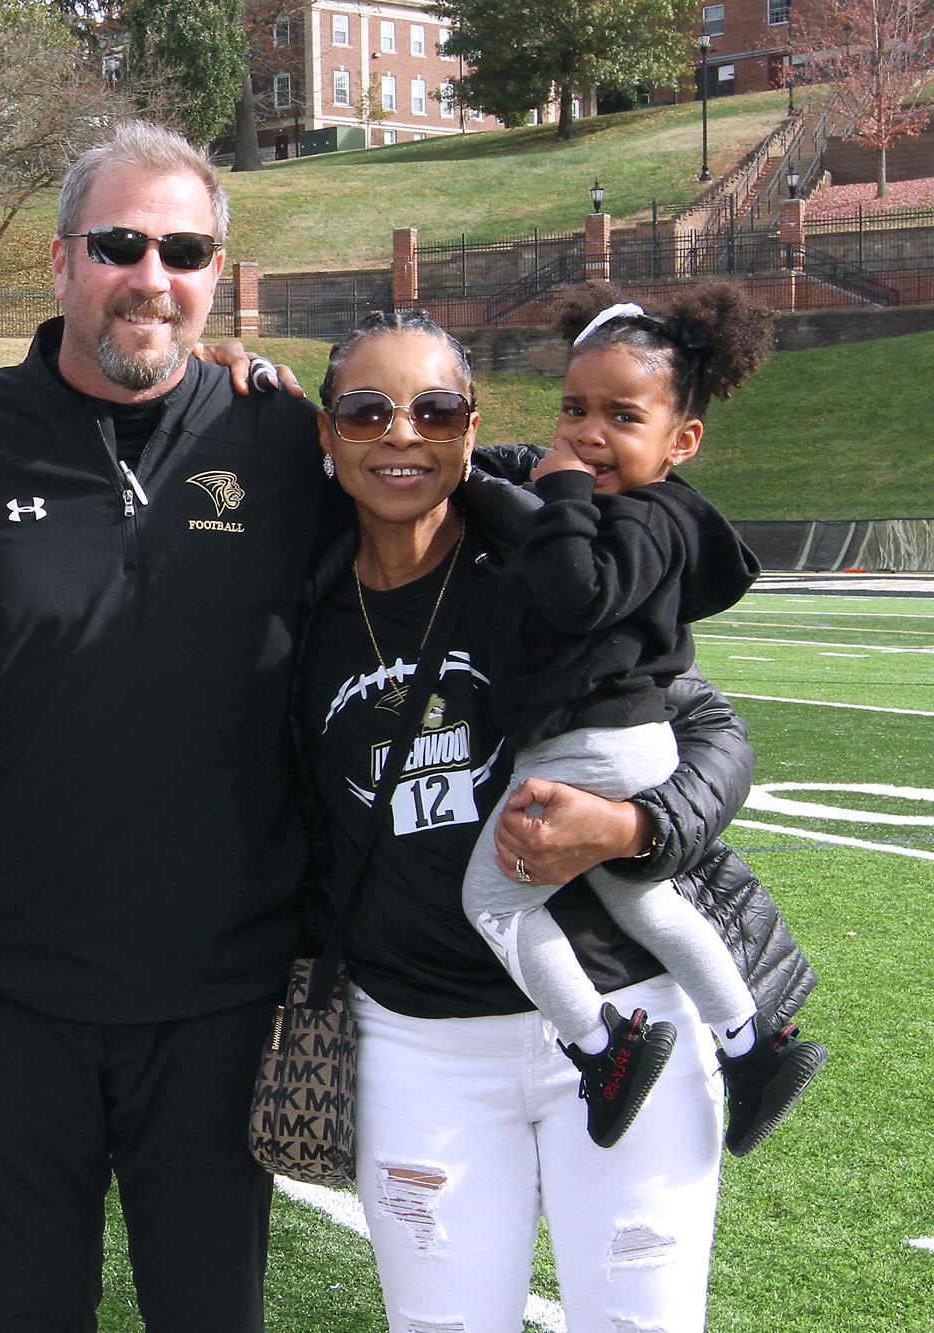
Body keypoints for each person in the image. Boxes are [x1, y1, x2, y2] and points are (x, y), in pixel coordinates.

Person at [0, 120, 337, 1331]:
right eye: (119, 245)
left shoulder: (284, 440)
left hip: (218, 997)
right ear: (60, 261)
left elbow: (442, 537)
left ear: (216, 273)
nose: (151, 276)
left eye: (182, 250)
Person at [291, 307, 815, 1331]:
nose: (402, 435)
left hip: (629, 1007)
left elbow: (711, 733)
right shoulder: (291, 603)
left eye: (434, 411)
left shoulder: (543, 553)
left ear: (472, 427)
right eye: (366, 411)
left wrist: (635, 831)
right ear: (327, 431)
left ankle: (726, 1041)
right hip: (417, 1039)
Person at [457, 283, 826, 1153]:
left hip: (592, 747)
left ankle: (603, 1046)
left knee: (492, 900)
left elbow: (577, 593)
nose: (588, 433)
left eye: (623, 416)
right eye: (573, 409)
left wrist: (563, 495)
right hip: (624, 742)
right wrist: (478, 471)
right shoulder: (634, 507)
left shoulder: (649, 518)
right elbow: (529, 496)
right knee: (643, 899)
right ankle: (751, 1043)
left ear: (681, 440)